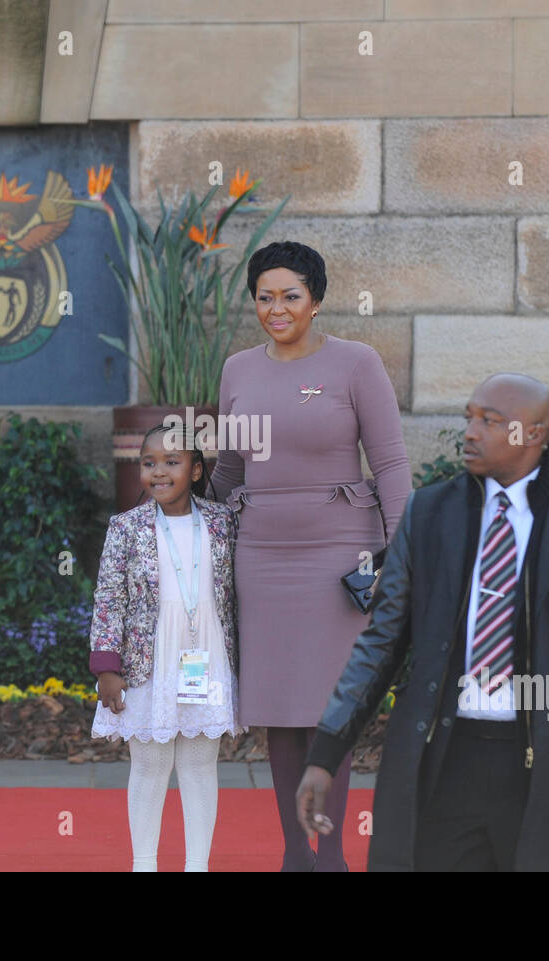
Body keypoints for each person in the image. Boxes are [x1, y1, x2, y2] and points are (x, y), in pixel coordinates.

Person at [297, 372, 549, 871]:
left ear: (535, 433)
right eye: (469, 417)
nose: (470, 431)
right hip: (443, 758)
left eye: (490, 421)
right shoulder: (431, 513)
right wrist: (326, 753)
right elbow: (381, 642)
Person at [208, 241, 411, 871]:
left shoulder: (357, 364)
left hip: (337, 561)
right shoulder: (238, 369)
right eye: (265, 297)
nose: (277, 308)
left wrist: (399, 559)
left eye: (290, 296)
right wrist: (178, 521)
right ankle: (296, 856)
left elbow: (392, 465)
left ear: (315, 301)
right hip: (260, 558)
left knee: (330, 708)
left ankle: (332, 855)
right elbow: (228, 470)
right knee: (279, 713)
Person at [89, 423, 244, 871]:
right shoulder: (126, 527)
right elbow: (109, 598)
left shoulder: (222, 521)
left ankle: (197, 864)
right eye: (148, 463)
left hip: (206, 654)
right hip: (146, 660)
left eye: (171, 462)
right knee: (151, 763)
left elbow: (240, 590)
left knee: (199, 763)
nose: (158, 471)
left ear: (196, 470)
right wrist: (106, 666)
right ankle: (144, 863)